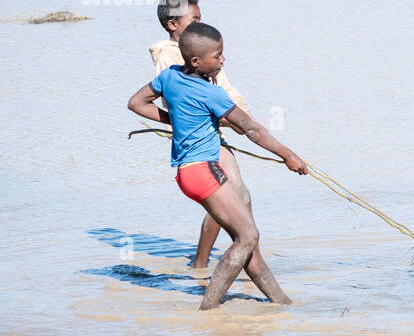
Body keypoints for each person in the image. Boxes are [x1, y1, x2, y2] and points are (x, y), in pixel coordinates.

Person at [128, 22, 308, 311]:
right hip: (204, 171)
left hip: (187, 175)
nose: (222, 59)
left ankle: (283, 304)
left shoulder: (169, 77)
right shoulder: (211, 94)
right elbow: (251, 129)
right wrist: (289, 156)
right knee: (248, 236)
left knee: (246, 241)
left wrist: (175, 119)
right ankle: (208, 308)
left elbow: (136, 103)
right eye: (217, 55)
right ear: (197, 61)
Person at [150, 0, 249, 273]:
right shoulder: (170, 58)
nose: (198, 26)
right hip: (205, 135)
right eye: (193, 20)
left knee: (226, 200)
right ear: (173, 24)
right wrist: (236, 122)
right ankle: (242, 261)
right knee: (236, 198)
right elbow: (184, 101)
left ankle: (203, 265)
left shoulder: (196, 51)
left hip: (215, 129)